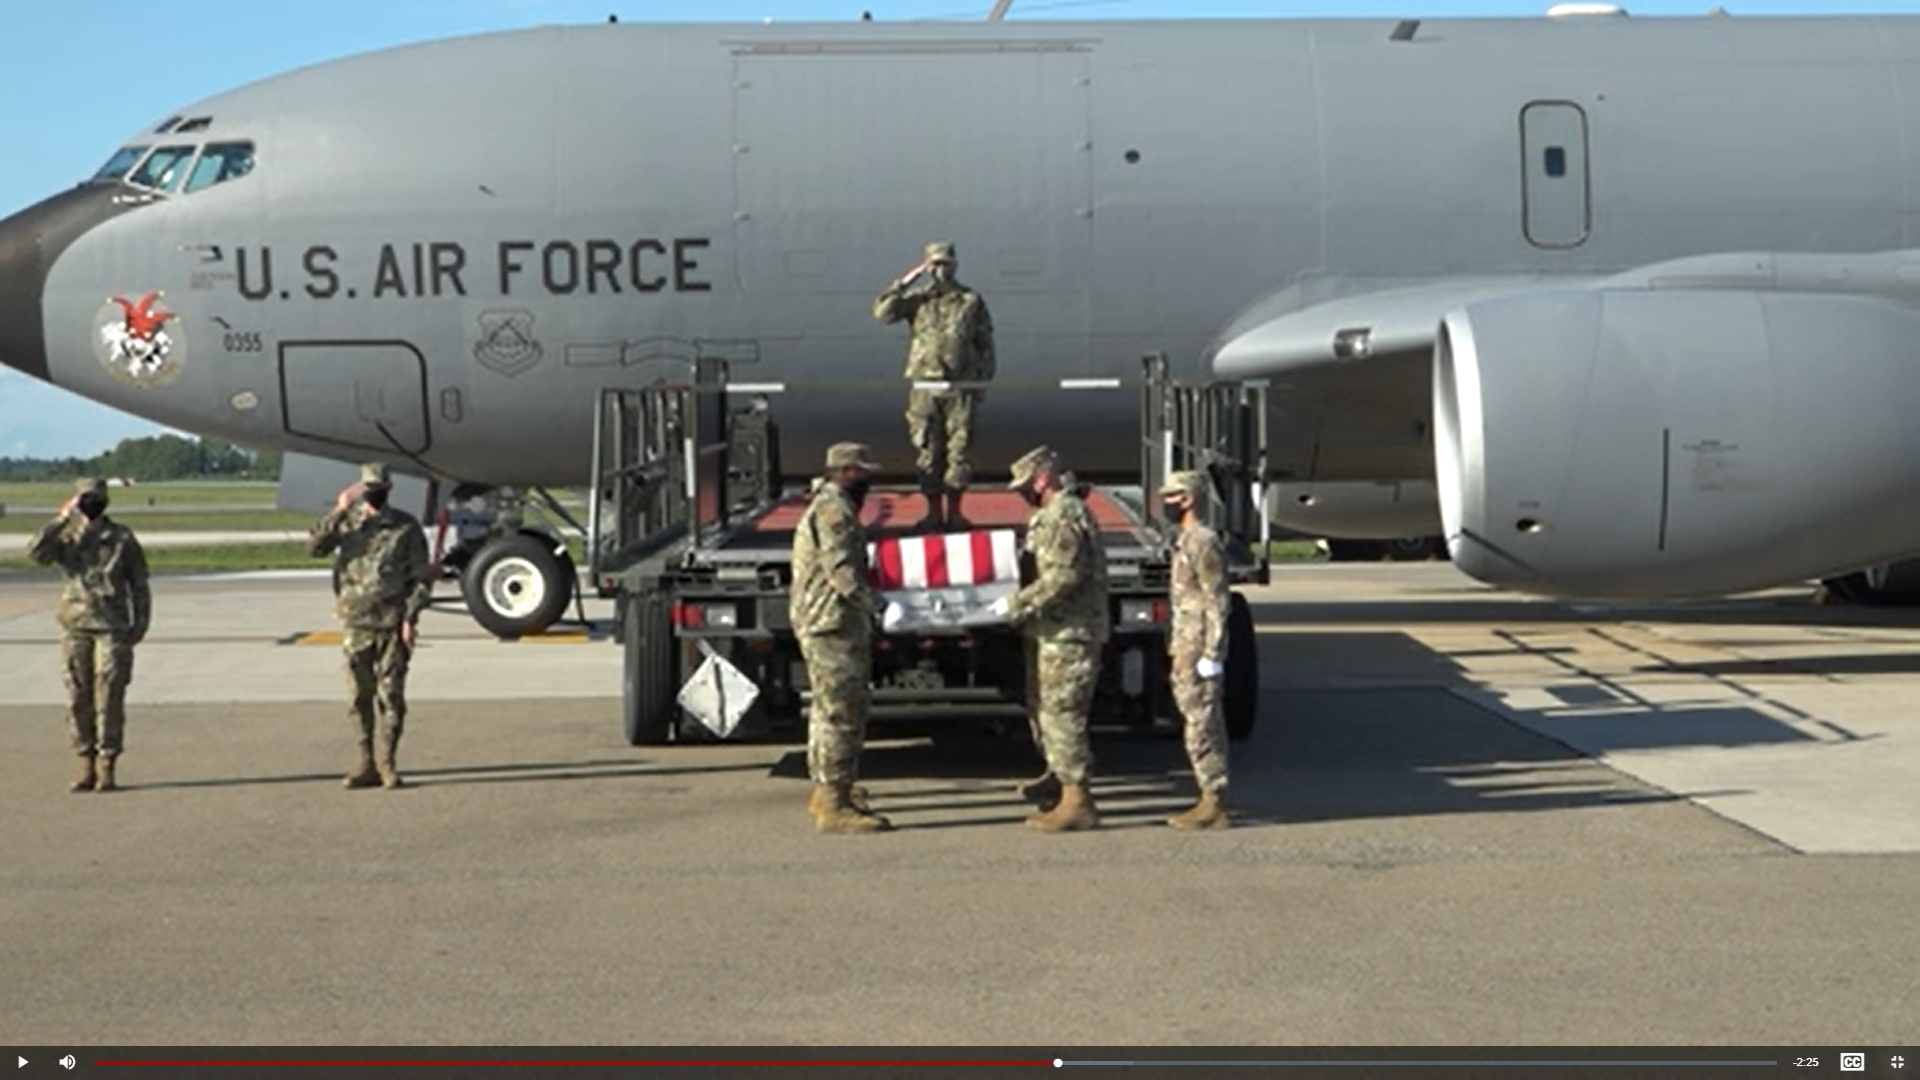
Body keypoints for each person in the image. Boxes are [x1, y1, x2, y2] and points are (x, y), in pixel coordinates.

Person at [990, 445, 1109, 832]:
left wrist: (1016, 605)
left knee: (1063, 714)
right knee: (1044, 709)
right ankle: (1059, 776)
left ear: (1042, 479)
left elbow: (1063, 577)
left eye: (1025, 485)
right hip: (1052, 630)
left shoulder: (1063, 515)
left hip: (1069, 633)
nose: (1022, 493)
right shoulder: (1050, 515)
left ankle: (1078, 800)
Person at [791, 442, 900, 834]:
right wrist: (877, 605)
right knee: (842, 712)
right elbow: (842, 572)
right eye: (864, 473)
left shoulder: (828, 504)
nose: (869, 481)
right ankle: (835, 803)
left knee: (826, 710)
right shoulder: (834, 510)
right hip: (833, 622)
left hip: (824, 620)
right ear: (845, 471)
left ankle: (828, 789)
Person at [307, 463, 433, 790]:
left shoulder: (405, 527)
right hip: (356, 622)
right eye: (370, 488)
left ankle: (388, 763)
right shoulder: (348, 523)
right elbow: (314, 547)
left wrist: (410, 618)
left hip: (391, 622)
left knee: (391, 697)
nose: (375, 494)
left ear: (388, 490)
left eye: (380, 489)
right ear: (361, 490)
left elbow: (421, 578)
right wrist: (339, 510)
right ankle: (366, 763)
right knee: (358, 696)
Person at [28, 478, 150, 793]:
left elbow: (139, 583)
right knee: (77, 695)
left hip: (112, 625)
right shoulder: (67, 538)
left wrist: (140, 623)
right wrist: (61, 518)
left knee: (109, 693)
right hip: (76, 625)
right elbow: (36, 553)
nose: (91, 503)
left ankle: (107, 764)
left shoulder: (121, 538)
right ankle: (85, 762)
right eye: (85, 498)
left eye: (95, 497)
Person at [873, 240, 996, 532]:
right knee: (928, 449)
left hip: (959, 385)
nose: (941, 270)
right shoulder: (918, 300)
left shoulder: (970, 300)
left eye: (946, 264)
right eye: (935, 264)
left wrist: (982, 381)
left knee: (959, 451)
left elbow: (985, 343)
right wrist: (904, 282)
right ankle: (932, 513)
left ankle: (955, 513)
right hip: (925, 386)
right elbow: (883, 313)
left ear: (955, 265)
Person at [1160, 471, 1232, 829]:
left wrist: (1212, 654)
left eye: (1171, 497)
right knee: (1194, 719)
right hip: (1186, 644)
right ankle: (1208, 796)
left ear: (1188, 499)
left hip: (1199, 645)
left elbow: (1217, 600)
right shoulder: (1185, 540)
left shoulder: (1203, 542)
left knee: (1202, 722)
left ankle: (1213, 800)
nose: (1165, 504)